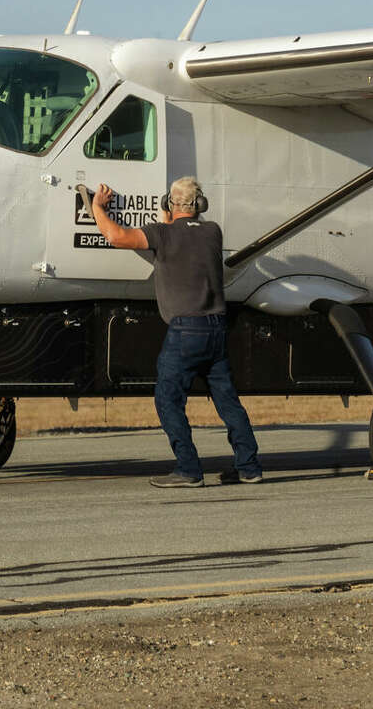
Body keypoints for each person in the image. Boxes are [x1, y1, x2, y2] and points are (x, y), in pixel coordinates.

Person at [91, 177, 263, 488]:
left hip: (185, 331)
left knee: (168, 399)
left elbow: (115, 236)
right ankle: (249, 467)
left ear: (169, 204)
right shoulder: (212, 232)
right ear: (201, 205)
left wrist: (97, 207)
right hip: (216, 328)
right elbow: (185, 233)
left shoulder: (162, 234)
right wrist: (169, 217)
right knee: (227, 401)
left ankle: (188, 469)